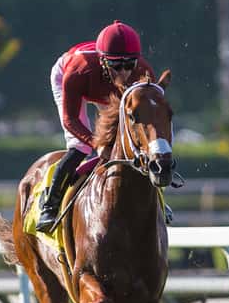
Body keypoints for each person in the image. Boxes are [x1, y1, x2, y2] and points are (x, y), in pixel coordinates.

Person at [36, 21, 154, 232]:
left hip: (104, 87)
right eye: (116, 66)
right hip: (69, 77)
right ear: (102, 61)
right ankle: (50, 205)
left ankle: (158, 202)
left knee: (133, 144)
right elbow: (71, 120)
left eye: (129, 64)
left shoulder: (143, 74)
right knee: (81, 147)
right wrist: (97, 145)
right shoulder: (78, 71)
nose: (124, 73)